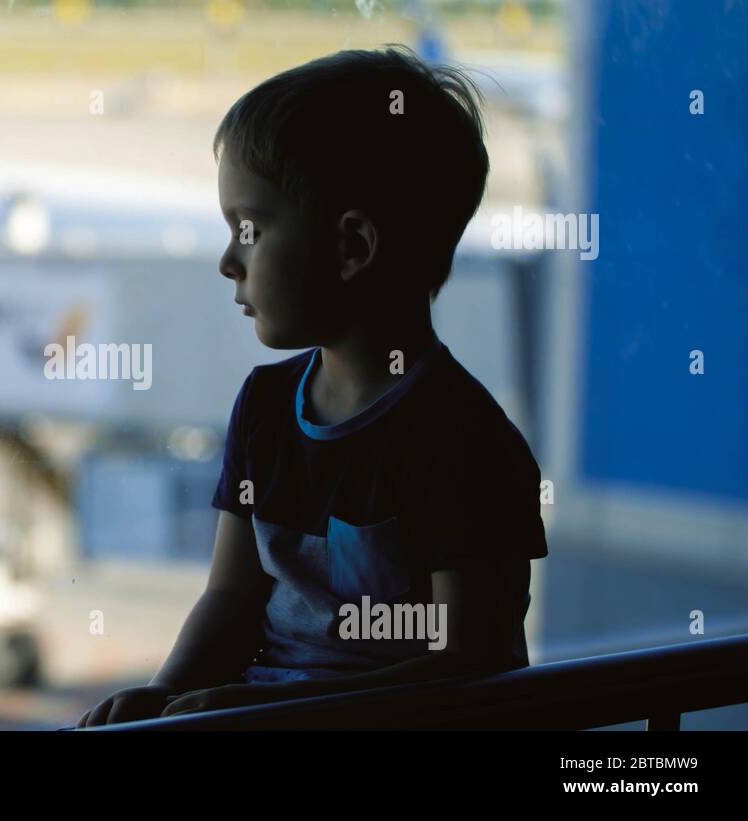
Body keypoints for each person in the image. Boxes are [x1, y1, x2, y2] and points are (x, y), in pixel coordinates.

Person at [77, 45, 548, 727]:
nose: (227, 261)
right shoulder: (265, 407)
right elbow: (233, 598)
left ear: (352, 247)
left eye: (251, 229)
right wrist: (164, 693)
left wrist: (277, 708)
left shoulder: (465, 443)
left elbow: (474, 665)